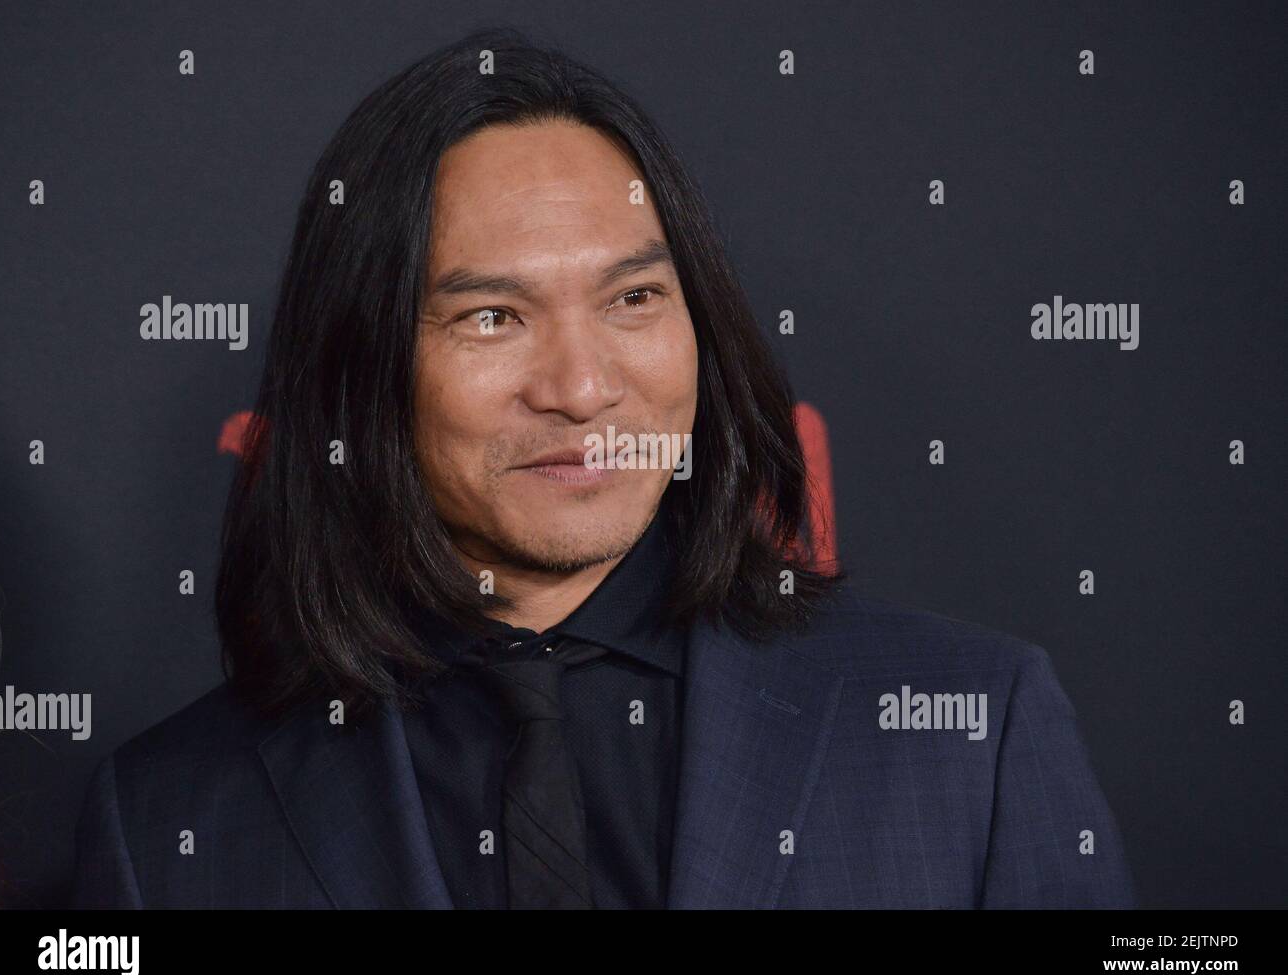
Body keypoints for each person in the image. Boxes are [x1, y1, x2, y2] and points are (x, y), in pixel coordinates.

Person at [69, 28, 1134, 909]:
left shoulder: (966, 728)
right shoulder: (169, 822)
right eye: (492, 317)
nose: (581, 387)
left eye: (633, 300)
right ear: (360, 372)